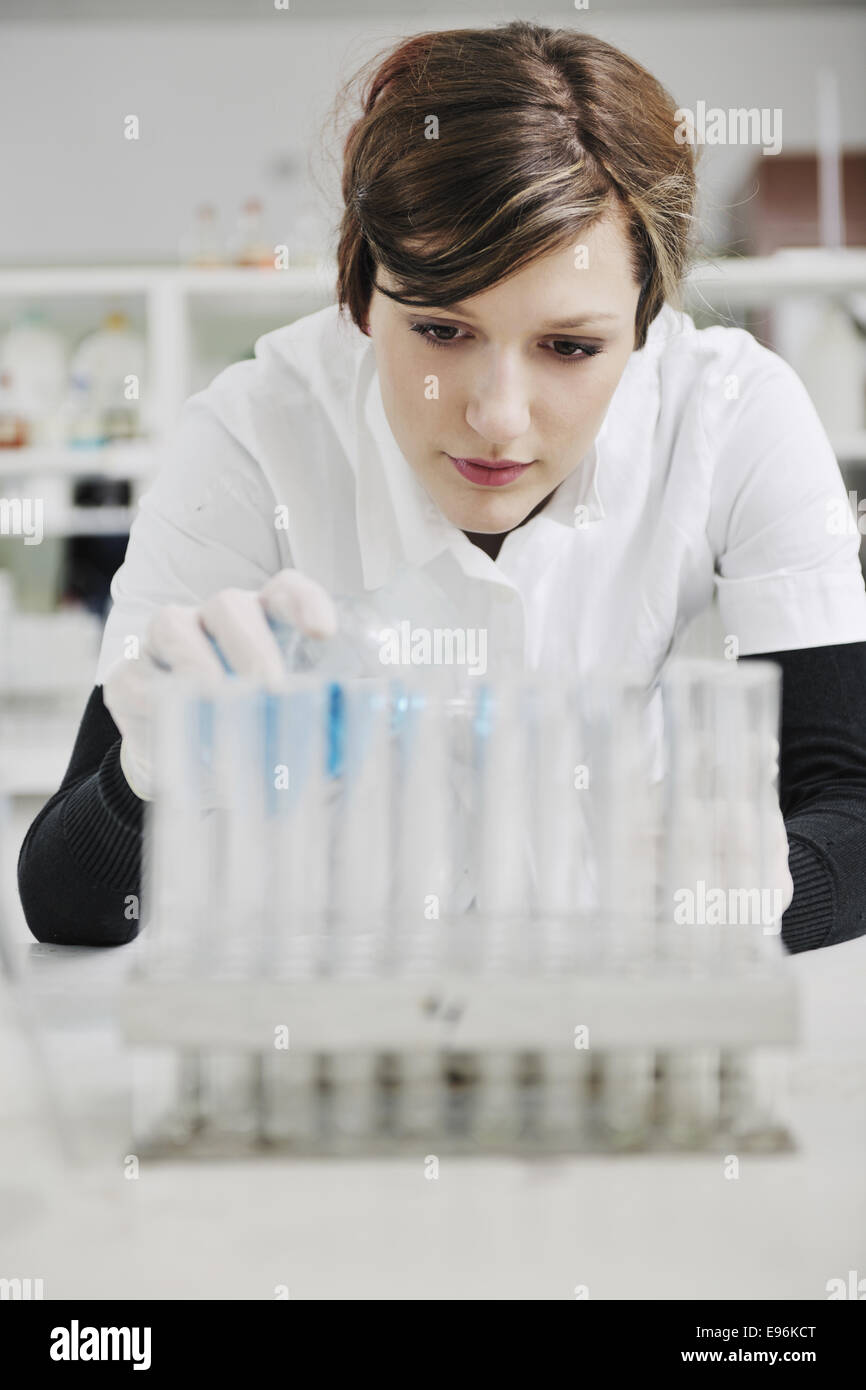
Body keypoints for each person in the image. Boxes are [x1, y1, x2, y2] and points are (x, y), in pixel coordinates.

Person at [18, 21, 866, 951]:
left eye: (571, 347)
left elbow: (849, 798)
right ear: (360, 297)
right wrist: (146, 770)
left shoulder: (733, 414)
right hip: (341, 1040)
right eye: (441, 332)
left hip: (623, 1026)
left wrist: (745, 903)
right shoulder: (251, 437)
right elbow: (65, 901)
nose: (498, 417)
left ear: (647, 322)